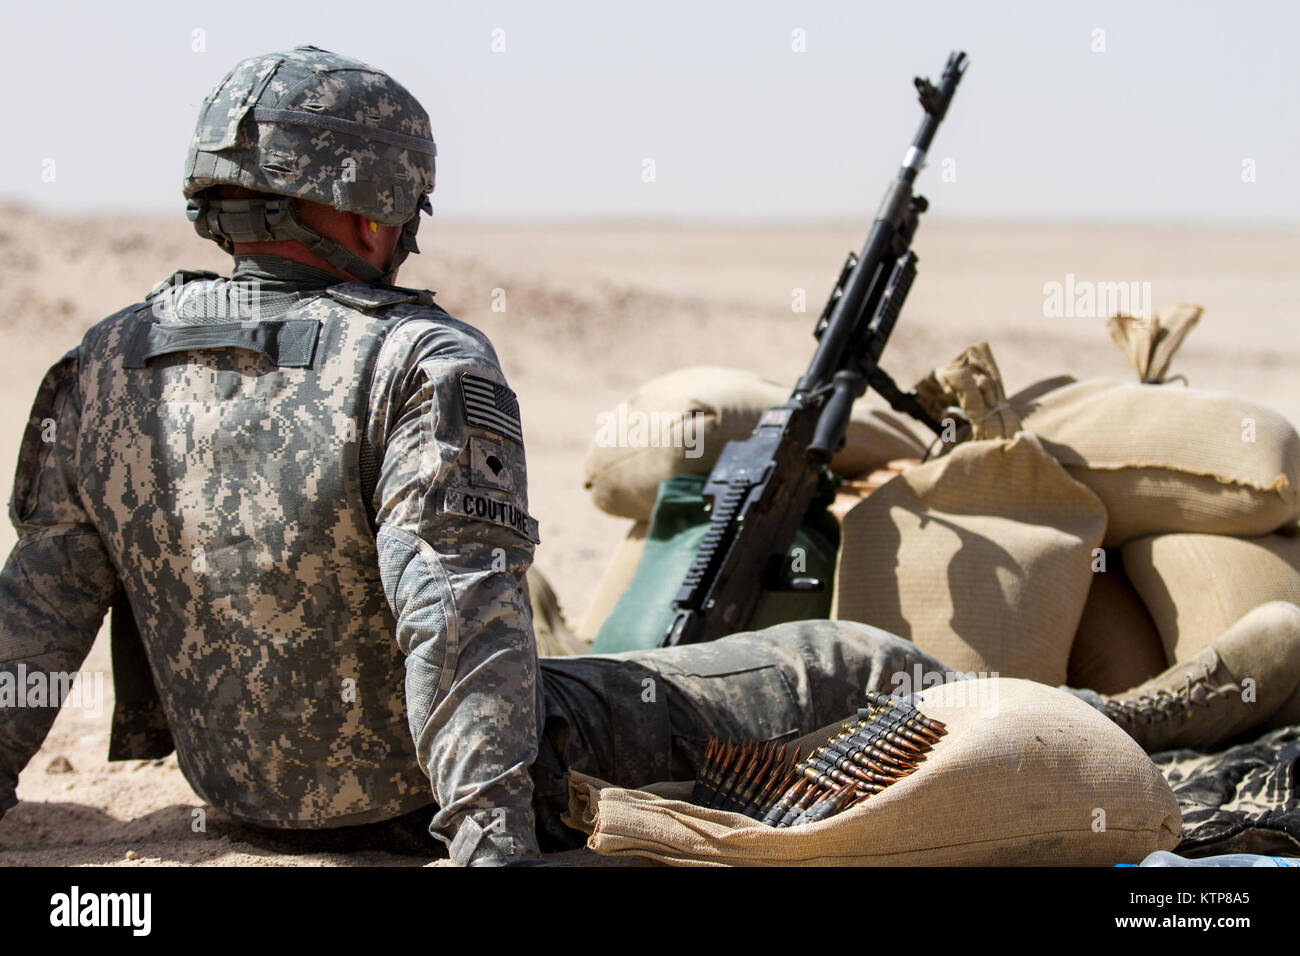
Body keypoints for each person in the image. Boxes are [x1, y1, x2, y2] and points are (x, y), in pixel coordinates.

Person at [4, 45, 1296, 866]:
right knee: (866, 661)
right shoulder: (418, 363)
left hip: (247, 792)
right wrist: (493, 845)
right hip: (429, 795)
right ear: (360, 197)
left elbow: (32, 624)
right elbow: (454, 619)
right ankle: (1134, 751)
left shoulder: (105, 362)